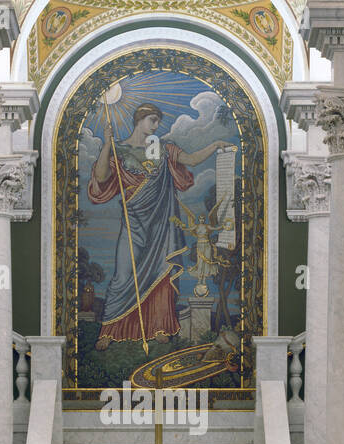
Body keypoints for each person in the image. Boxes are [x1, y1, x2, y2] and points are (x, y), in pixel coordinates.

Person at [88, 102, 234, 349]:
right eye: (152, 120)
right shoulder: (119, 150)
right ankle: (110, 329)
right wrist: (106, 145)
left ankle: (159, 326)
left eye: (157, 121)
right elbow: (101, 178)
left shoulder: (164, 149)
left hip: (161, 225)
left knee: (162, 275)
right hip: (133, 223)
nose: (155, 125)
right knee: (123, 274)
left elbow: (192, 159)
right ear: (139, 119)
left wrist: (214, 145)